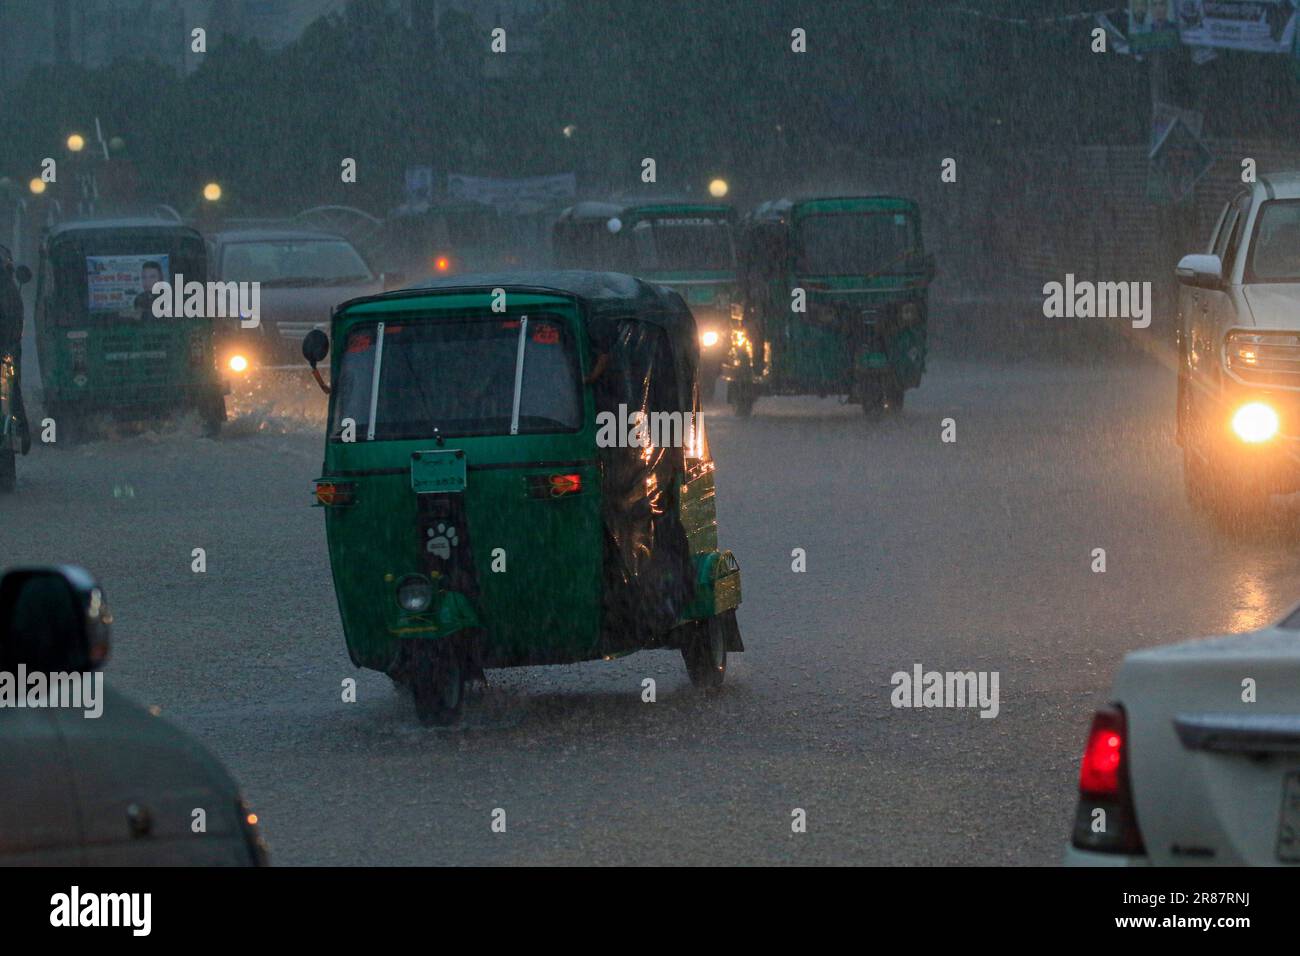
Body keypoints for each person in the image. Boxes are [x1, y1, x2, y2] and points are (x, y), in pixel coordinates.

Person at [0, 248, 30, 453]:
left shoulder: (8, 289)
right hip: (6, 352)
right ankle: (21, 431)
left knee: (11, 388)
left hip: (5, 353)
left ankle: (20, 430)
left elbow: (15, 326)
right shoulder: (9, 288)